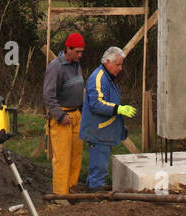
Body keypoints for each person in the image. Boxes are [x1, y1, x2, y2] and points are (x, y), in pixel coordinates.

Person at [79, 45, 136, 190]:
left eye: (121, 65)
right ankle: (95, 199)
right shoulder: (98, 77)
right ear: (107, 62)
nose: (120, 68)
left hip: (104, 132)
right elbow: (97, 103)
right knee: (99, 169)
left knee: (99, 168)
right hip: (98, 133)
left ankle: (93, 192)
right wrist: (118, 109)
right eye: (118, 65)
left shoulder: (107, 77)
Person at [43, 31, 87, 195]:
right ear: (67, 49)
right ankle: (60, 195)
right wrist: (60, 116)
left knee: (76, 155)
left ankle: (72, 189)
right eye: (77, 51)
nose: (80, 55)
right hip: (62, 117)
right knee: (62, 158)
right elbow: (48, 96)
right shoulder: (56, 67)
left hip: (76, 115)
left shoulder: (76, 64)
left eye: (82, 52)